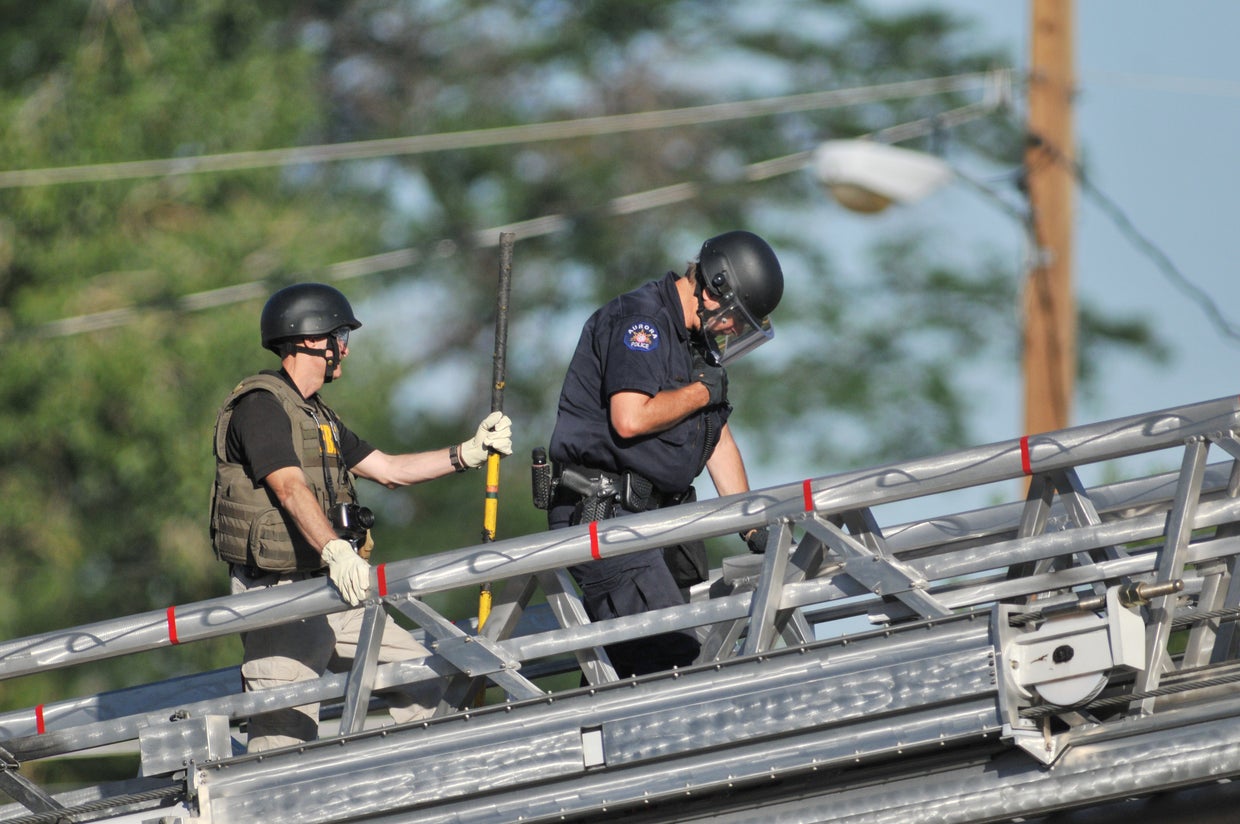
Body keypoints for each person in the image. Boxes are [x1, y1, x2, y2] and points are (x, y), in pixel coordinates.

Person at [210, 281, 513, 752]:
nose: (344, 351)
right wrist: (335, 549)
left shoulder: (318, 418)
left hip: (335, 587)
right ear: (312, 340)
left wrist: (468, 453)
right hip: (280, 597)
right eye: (340, 338)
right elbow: (289, 487)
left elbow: (390, 470)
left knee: (429, 680)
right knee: (281, 745)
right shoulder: (261, 407)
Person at [545, 230, 784, 678]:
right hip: (606, 516)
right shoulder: (642, 321)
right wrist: (698, 393)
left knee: (632, 669)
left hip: (653, 524)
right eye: (736, 317)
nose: (733, 330)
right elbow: (630, 418)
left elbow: (719, 443)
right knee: (672, 661)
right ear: (714, 288)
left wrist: (753, 530)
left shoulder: (693, 344)